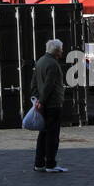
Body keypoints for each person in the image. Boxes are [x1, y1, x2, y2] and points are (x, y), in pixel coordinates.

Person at [30, 39, 66, 173]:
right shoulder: (53, 64)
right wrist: (42, 101)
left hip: (42, 103)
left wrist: (36, 99)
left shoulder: (40, 61)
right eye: (61, 49)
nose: (62, 51)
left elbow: (34, 83)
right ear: (56, 50)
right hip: (52, 104)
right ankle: (50, 164)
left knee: (43, 134)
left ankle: (39, 163)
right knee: (52, 135)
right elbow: (49, 85)